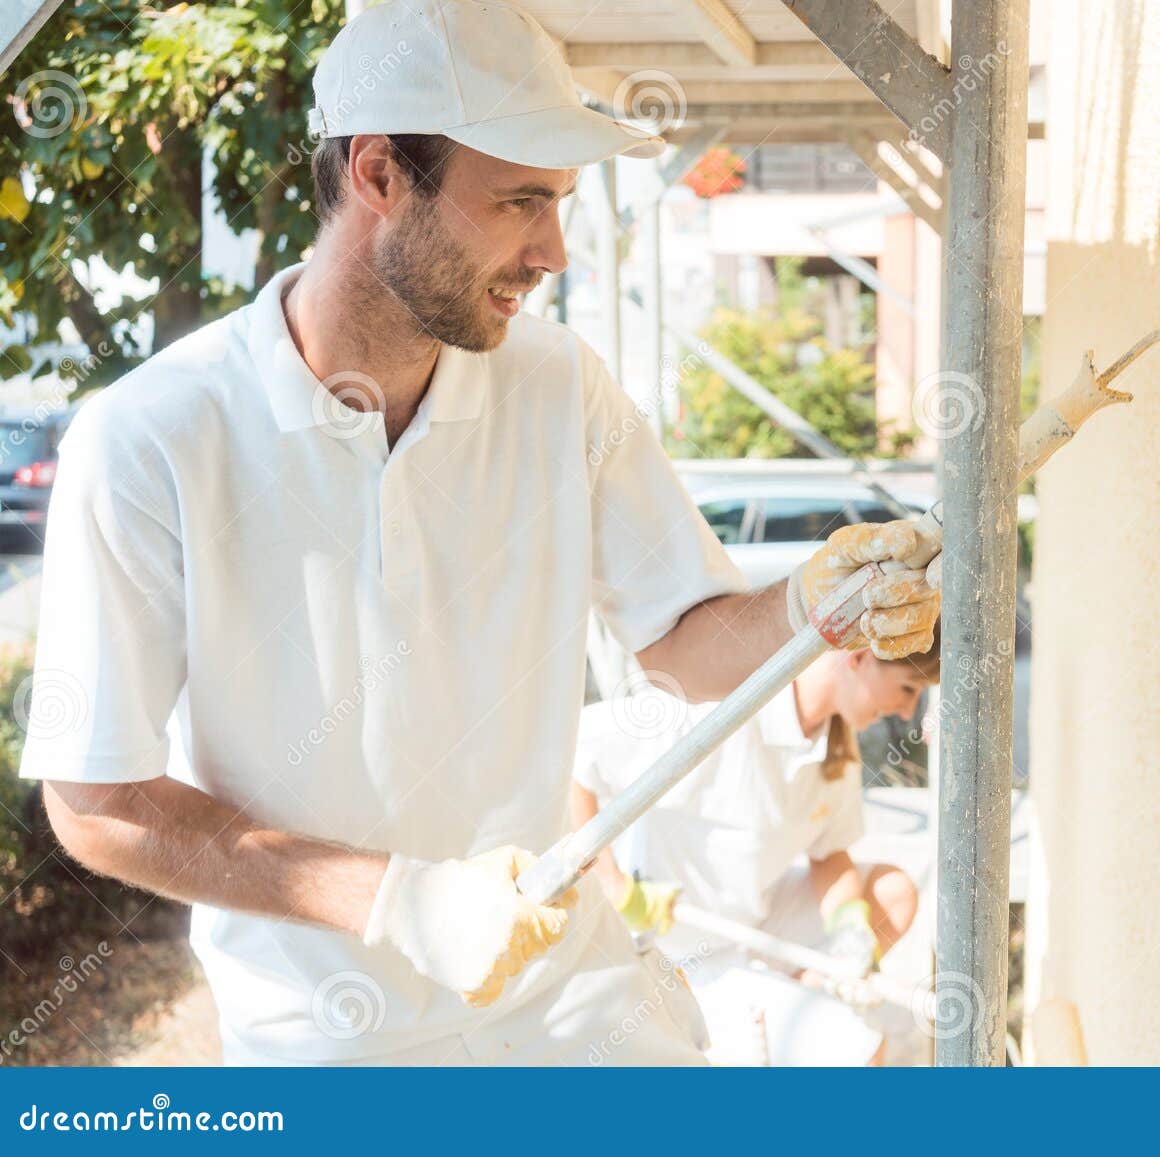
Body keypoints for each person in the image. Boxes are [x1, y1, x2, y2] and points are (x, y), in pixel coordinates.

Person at [21, 0, 939, 1067]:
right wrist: (394, 901)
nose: (551, 250)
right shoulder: (150, 437)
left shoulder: (559, 388)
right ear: (377, 176)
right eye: (518, 203)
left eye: (558, 205)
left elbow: (686, 644)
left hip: (575, 1002)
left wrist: (808, 603)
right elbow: (97, 800)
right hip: (328, 1041)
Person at [570, 638, 938, 1064]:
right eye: (909, 688)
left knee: (892, 894)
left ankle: (808, 988)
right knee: (862, 1051)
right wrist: (613, 887)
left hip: (755, 922)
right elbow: (577, 756)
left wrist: (851, 929)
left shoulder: (836, 752)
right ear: (858, 657)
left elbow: (829, 854)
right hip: (678, 951)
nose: (908, 711)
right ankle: (769, 1017)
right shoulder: (718, 710)